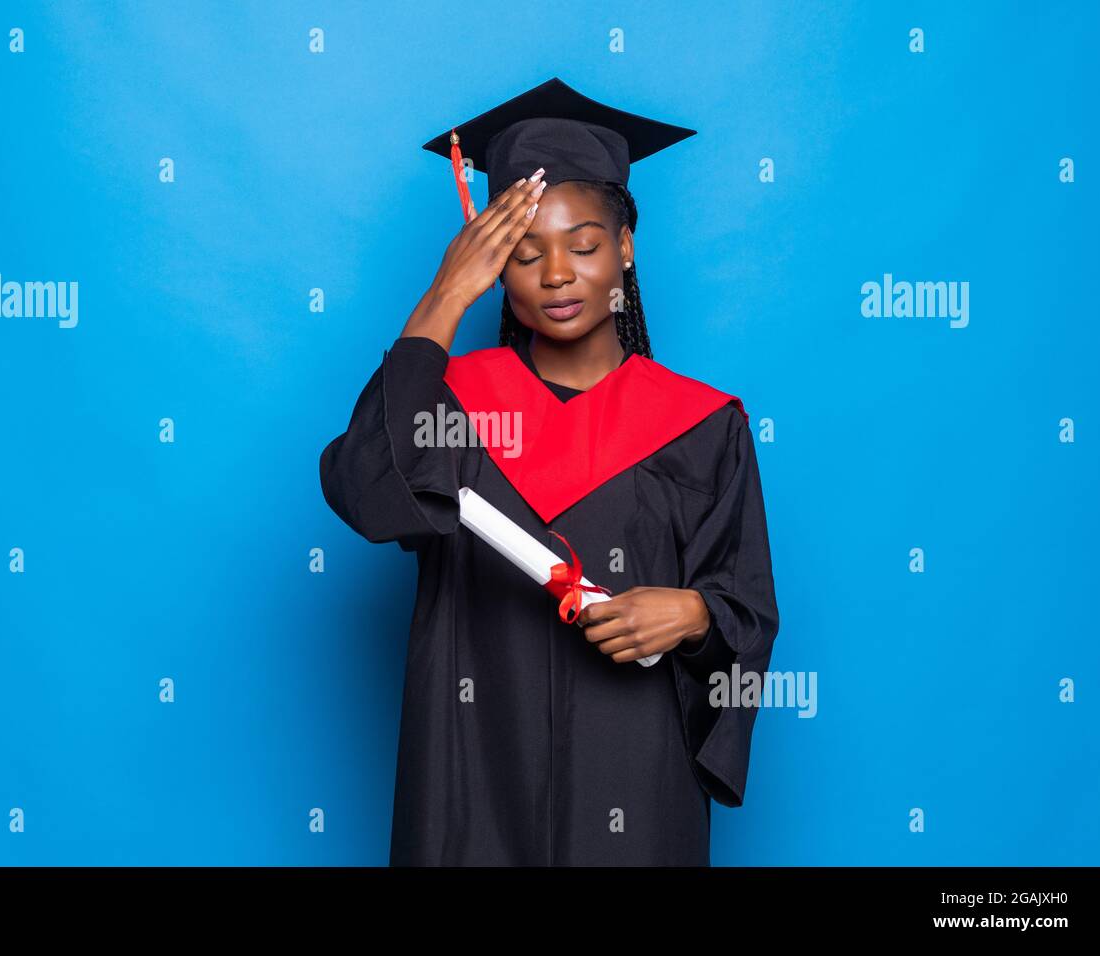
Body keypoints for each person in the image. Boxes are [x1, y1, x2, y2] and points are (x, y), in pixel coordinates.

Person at [319, 78, 779, 866]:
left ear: (625, 249)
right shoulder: (453, 405)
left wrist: (696, 616)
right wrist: (444, 296)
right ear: (495, 265)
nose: (557, 274)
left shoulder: (703, 426)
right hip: (472, 770)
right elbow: (365, 490)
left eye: (586, 245)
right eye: (524, 254)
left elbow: (747, 609)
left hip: (637, 773)